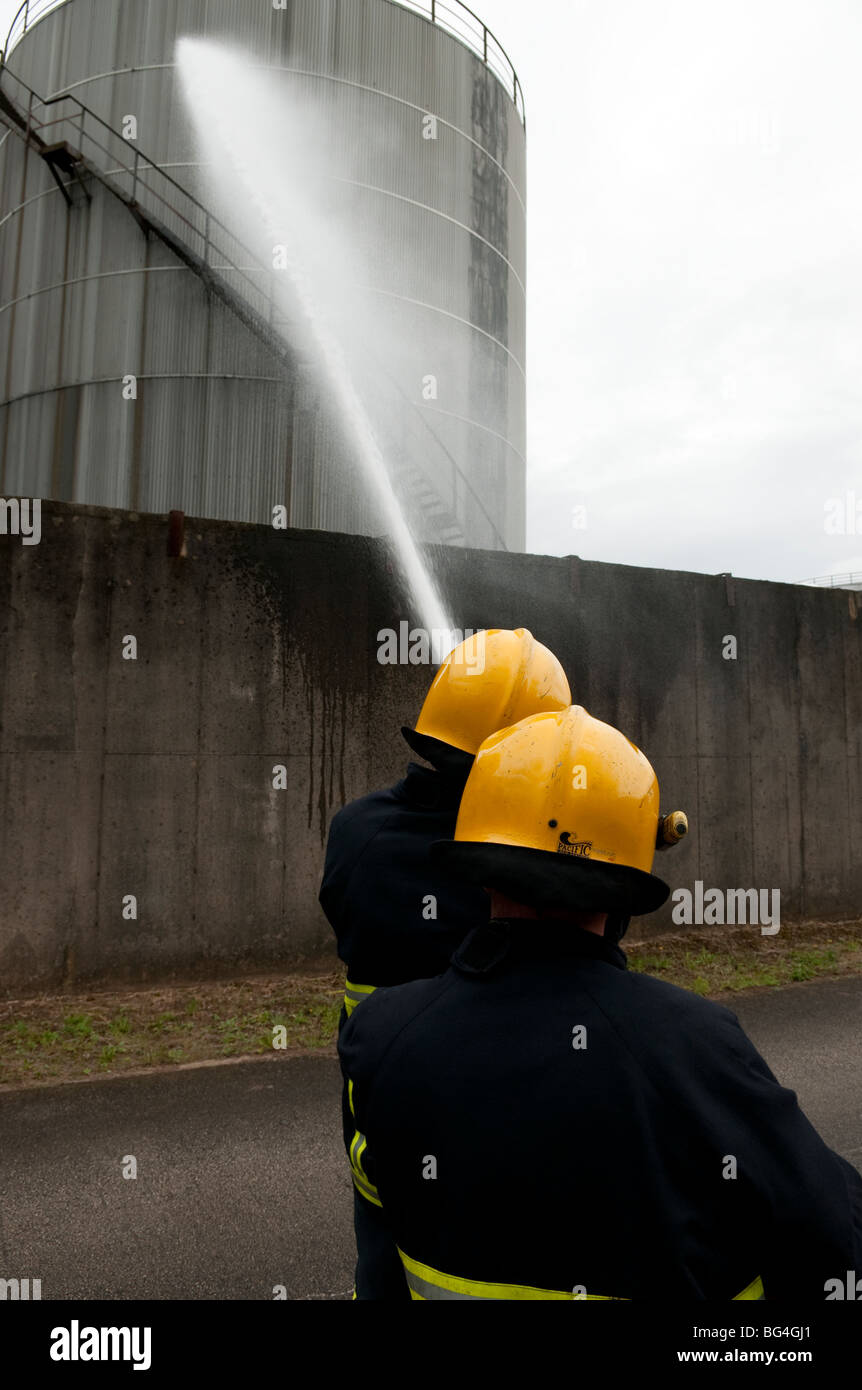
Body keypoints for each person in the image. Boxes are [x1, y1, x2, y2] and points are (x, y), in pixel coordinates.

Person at [339, 704, 862, 1300]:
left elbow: (380, 1249)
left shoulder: (379, 1038)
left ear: (479, 869)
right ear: (627, 890)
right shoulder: (695, 1046)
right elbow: (828, 1241)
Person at [319, 628, 571, 1297]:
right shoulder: (515, 860)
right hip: (501, 1090)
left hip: (377, 1088)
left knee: (384, 1245)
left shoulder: (357, 832)